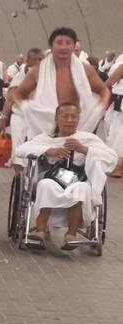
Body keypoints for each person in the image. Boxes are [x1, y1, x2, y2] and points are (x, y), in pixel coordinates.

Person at [15, 103, 118, 247]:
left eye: (74, 117)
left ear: (78, 119)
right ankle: (41, 231)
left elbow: (112, 157)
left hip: (78, 178)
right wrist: (49, 150)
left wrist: (84, 149)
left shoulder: (87, 138)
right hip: (52, 177)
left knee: (81, 189)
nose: (70, 120)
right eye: (65, 116)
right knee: (45, 185)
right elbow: (21, 150)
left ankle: (71, 235)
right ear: (57, 119)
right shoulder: (47, 138)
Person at [6, 27, 112, 143]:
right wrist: (26, 107)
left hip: (77, 125)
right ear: (51, 46)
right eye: (59, 43)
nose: (64, 47)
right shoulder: (38, 71)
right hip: (44, 125)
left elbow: (103, 90)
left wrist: (101, 106)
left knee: (78, 158)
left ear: (74, 46)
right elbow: (18, 93)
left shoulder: (85, 70)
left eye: (68, 43)